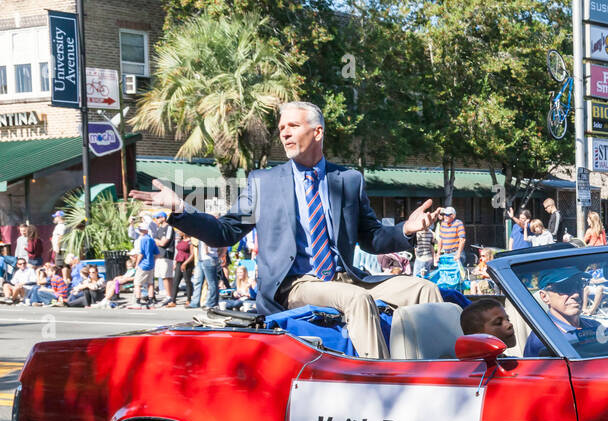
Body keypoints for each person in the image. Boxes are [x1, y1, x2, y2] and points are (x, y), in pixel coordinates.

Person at [130, 101, 442, 359]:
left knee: (423, 289)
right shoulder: (263, 182)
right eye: (281, 129)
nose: (284, 133)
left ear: (317, 131)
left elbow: (372, 238)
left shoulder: (347, 179)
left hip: (345, 278)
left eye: (292, 126)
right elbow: (225, 232)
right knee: (356, 300)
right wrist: (182, 210)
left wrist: (406, 230)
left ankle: (453, 377)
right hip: (294, 286)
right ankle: (382, 387)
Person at [524, 267, 602, 356]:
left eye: (580, 285)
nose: (576, 294)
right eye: (565, 287)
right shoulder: (542, 340)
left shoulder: (596, 326)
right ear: (545, 297)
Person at [133, 225, 159, 306]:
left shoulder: (142, 240)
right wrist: (153, 261)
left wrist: (137, 264)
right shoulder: (151, 239)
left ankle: (138, 301)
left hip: (143, 264)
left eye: (141, 230)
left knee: (137, 283)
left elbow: (141, 253)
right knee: (150, 283)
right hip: (151, 264)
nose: (140, 232)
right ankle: (151, 300)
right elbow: (157, 253)